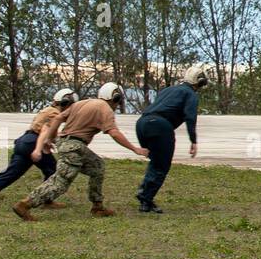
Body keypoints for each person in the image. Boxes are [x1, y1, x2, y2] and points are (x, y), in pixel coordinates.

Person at [12, 82, 148, 222]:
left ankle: (97, 206)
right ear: (115, 98)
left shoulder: (81, 103)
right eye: (118, 102)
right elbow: (114, 133)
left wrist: (49, 139)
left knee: (97, 167)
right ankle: (25, 204)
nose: (117, 105)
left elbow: (58, 118)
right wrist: (135, 149)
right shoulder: (105, 109)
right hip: (74, 147)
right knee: (60, 182)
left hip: (67, 144)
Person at [0, 88, 78, 206]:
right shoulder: (55, 113)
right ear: (66, 103)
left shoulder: (47, 110)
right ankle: (46, 200)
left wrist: (50, 141)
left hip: (24, 141)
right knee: (53, 171)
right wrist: (38, 149)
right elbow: (45, 131)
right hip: (34, 142)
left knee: (13, 172)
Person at [134, 62, 210, 213]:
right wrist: (193, 141)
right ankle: (146, 198)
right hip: (161, 127)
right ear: (199, 82)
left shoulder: (169, 89)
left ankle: (145, 195)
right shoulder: (190, 94)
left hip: (142, 123)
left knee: (156, 161)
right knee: (162, 165)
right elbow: (190, 117)